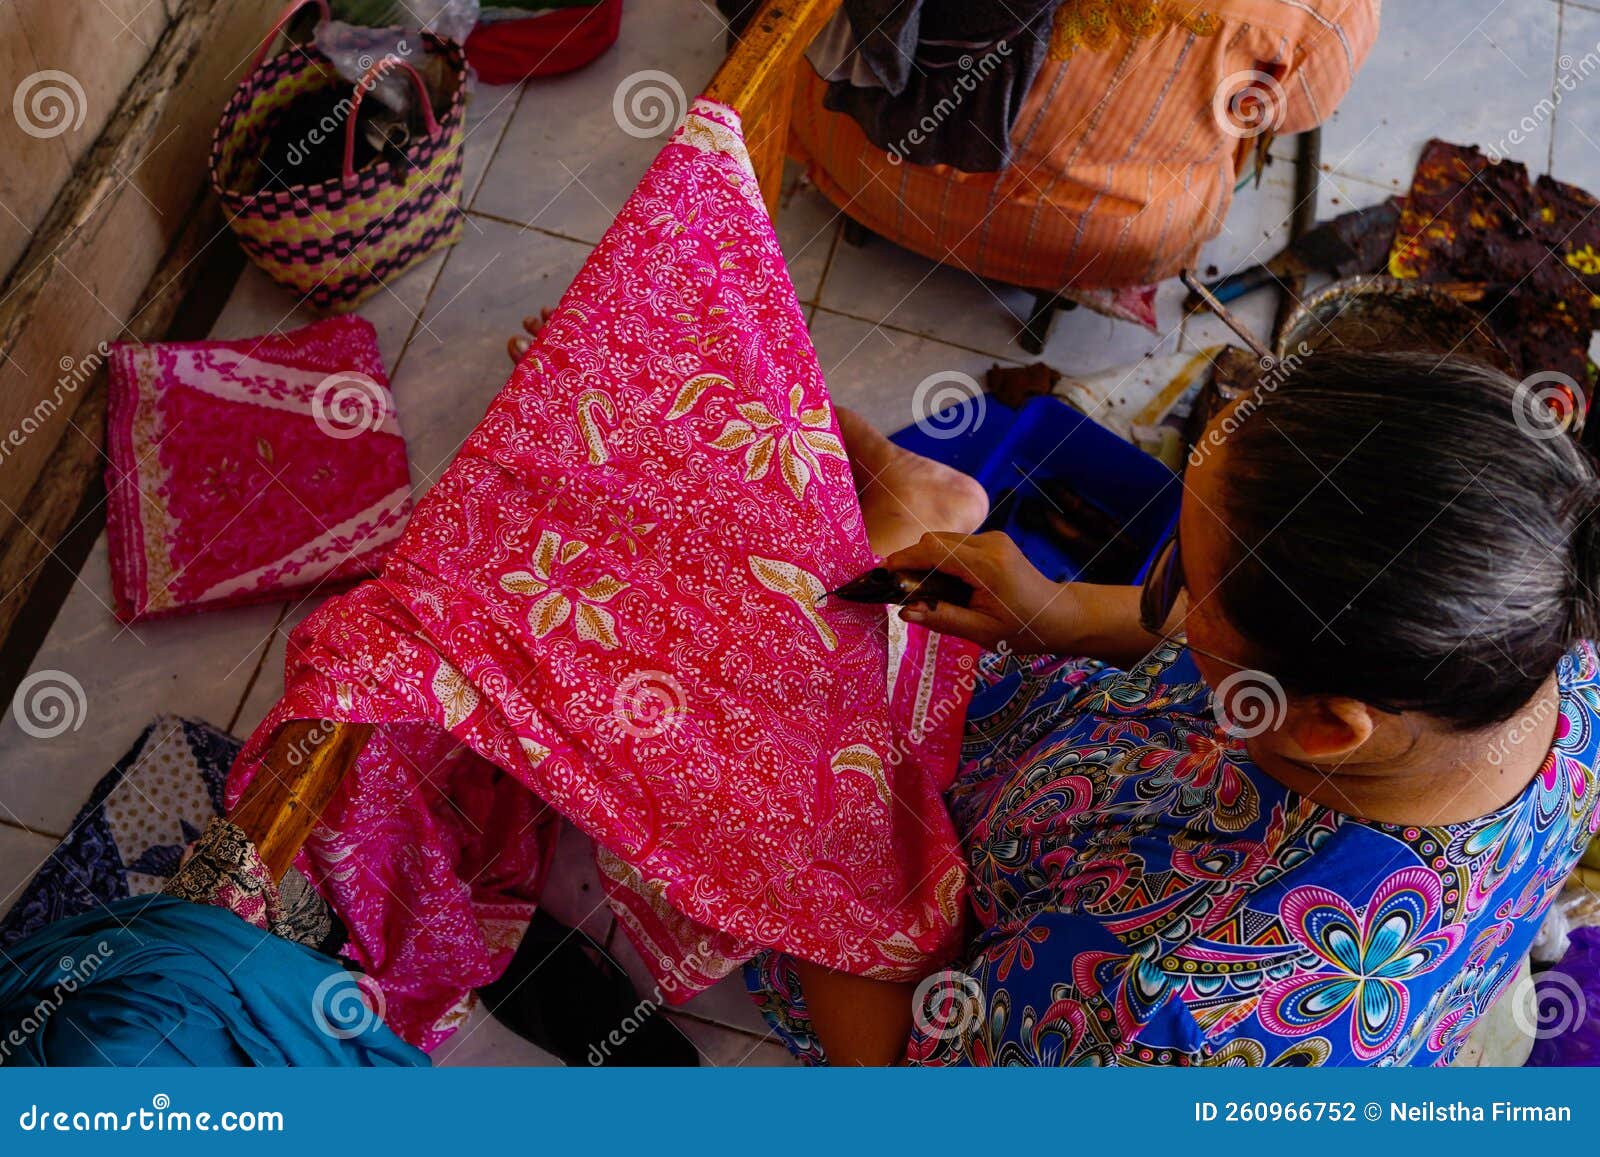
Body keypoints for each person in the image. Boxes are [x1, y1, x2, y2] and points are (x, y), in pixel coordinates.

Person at [747, 350, 1600, 1066]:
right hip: (1059, 762)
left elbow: (903, 1082)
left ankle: (913, 511)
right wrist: (1065, 613)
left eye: (1180, 584)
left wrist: (831, 822)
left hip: (919, 957)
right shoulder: (1546, 637)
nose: (1164, 608)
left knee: (718, 737)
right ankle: (915, 513)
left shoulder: (1158, 1015)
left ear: (1321, 726)